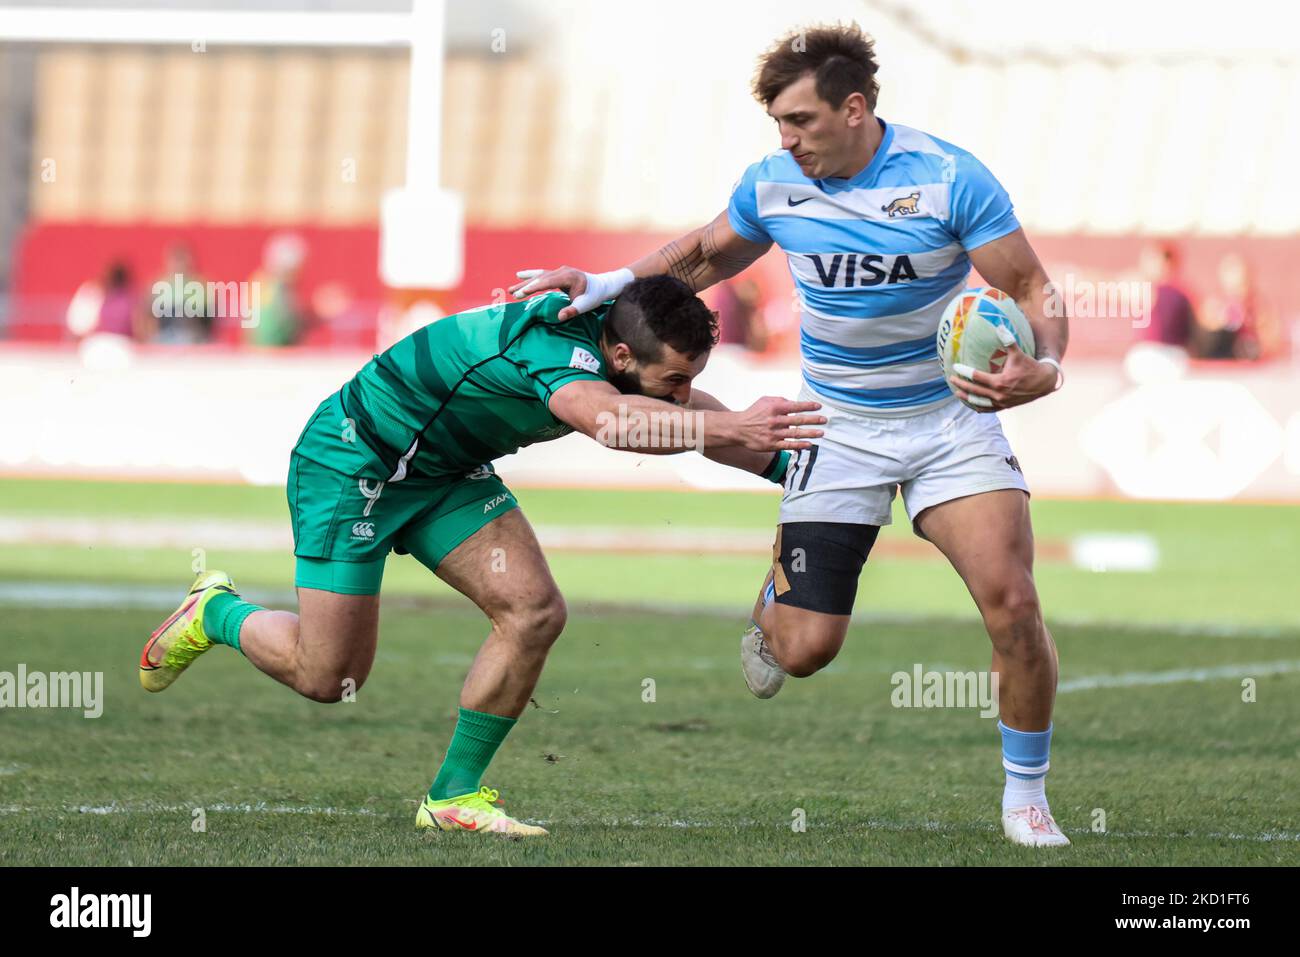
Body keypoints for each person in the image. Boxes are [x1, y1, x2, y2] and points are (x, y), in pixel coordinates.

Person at [512, 24, 1072, 847]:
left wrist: (1047, 366)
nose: (787, 140)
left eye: (801, 121)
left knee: (1015, 604)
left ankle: (1027, 797)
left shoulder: (951, 179)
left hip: (950, 421)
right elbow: (702, 255)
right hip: (835, 425)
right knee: (803, 650)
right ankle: (771, 598)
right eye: (778, 123)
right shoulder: (773, 183)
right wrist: (603, 284)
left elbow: (1031, 286)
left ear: (855, 108)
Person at [139, 276, 824, 837]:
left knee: (533, 610)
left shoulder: (618, 327)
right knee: (328, 676)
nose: (683, 392)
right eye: (674, 378)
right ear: (620, 358)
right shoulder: (560, 355)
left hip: (442, 471)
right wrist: (734, 425)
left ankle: (452, 797)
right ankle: (216, 612)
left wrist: (783, 465)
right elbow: (613, 423)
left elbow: (671, 406)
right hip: (352, 464)